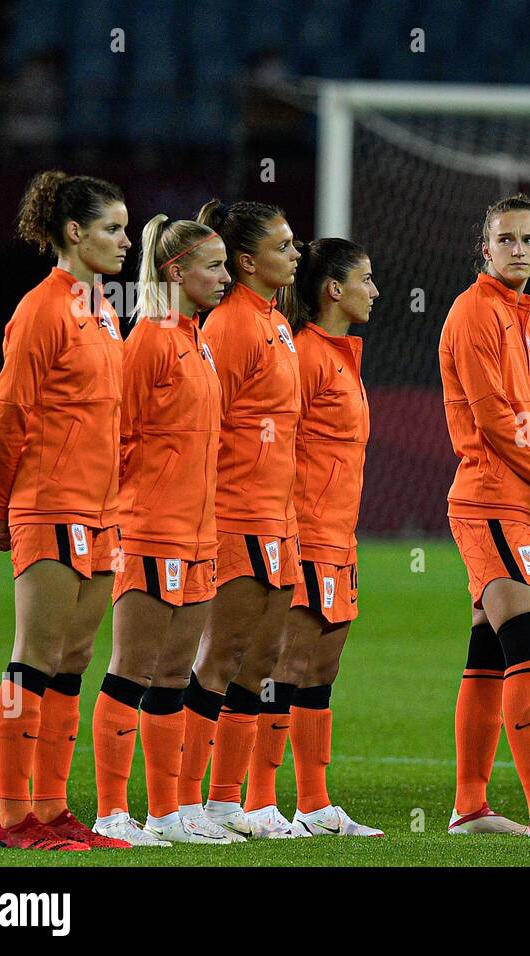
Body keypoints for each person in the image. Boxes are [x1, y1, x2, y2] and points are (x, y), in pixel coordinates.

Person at [0, 170, 132, 851]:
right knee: (33, 659)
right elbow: (7, 418)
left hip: (102, 510)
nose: (126, 241)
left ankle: (52, 808)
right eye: (113, 228)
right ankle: (15, 817)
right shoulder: (42, 308)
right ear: (75, 233)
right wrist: (0, 502)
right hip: (50, 503)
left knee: (73, 659)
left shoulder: (101, 307)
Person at [90, 215, 237, 846]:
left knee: (176, 674)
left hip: (200, 534)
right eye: (215, 266)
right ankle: (110, 812)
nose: (227, 277)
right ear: (177, 271)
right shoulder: (147, 340)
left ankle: (168, 811)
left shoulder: (197, 340)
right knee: (133, 668)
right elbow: (112, 439)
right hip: (151, 530)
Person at [438, 194, 530, 839]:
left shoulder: (521, 317)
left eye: (529, 239)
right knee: (528, 642)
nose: (518, 249)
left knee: (489, 650)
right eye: (507, 239)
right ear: (484, 248)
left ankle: (470, 804)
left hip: (519, 495)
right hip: (492, 495)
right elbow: (495, 421)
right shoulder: (475, 313)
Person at [180, 200, 304, 839]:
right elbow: (203, 421)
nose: (297, 253)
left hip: (277, 519)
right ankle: (182, 804)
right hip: (235, 515)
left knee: (262, 658)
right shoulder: (230, 325)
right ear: (248, 261)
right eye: (284, 245)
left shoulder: (275, 322)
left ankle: (230, 803)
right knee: (220, 655)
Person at [263, 239, 383, 837]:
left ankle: (313, 803)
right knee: (286, 665)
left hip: (340, 538)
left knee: (322, 670)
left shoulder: (341, 355)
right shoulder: (305, 355)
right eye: (366, 278)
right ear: (333, 289)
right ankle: (259, 801)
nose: (375, 289)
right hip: (304, 535)